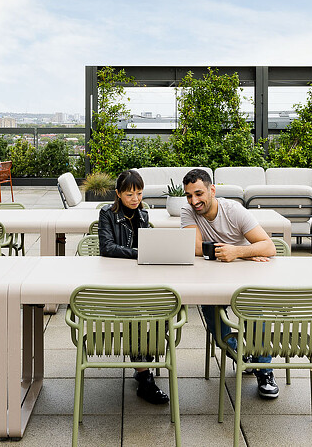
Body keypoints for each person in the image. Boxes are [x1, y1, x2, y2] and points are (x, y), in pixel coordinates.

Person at [180, 169, 279, 399]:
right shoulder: (188, 211)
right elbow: (193, 247)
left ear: (212, 190)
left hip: (245, 280)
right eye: (188, 196)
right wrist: (237, 251)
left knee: (256, 314)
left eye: (199, 193)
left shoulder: (233, 210)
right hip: (212, 281)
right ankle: (239, 352)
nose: (194, 201)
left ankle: (264, 371)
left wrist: (238, 252)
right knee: (213, 317)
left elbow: (270, 247)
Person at [96, 170, 169, 405]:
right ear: (118, 194)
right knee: (135, 315)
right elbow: (107, 247)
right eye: (129, 194)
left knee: (166, 307)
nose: (135, 199)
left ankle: (145, 357)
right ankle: (144, 376)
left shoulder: (143, 214)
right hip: (114, 279)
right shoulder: (107, 213)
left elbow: (146, 244)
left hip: (138, 276)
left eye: (139, 193)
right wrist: (138, 253)